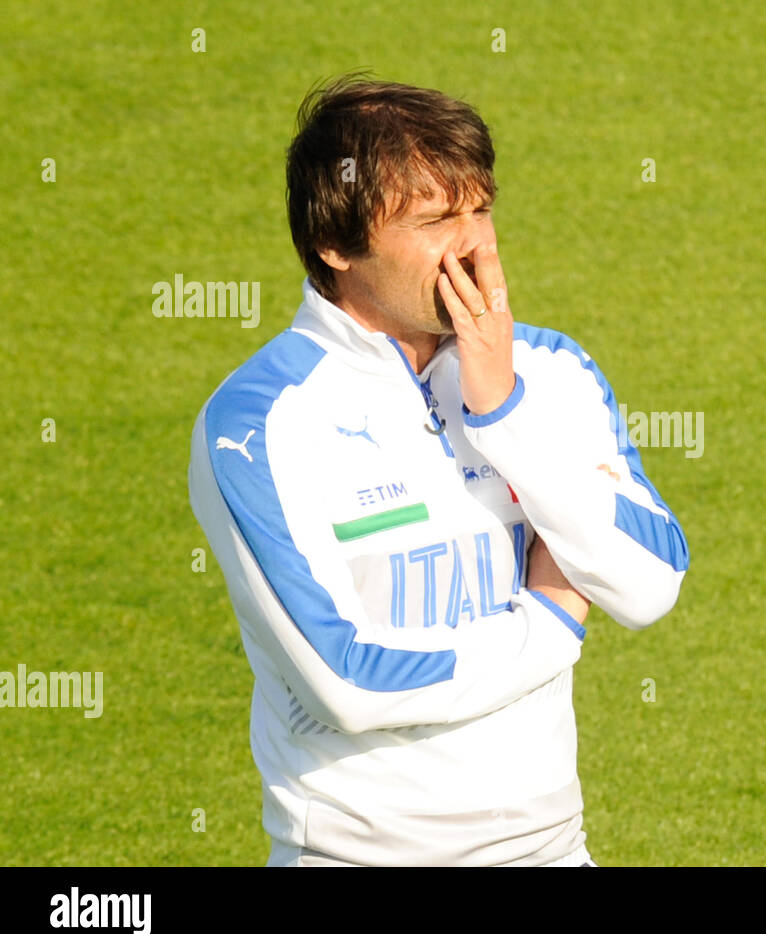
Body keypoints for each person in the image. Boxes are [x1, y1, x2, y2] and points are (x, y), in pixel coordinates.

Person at [187, 77, 689, 867]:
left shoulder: (549, 371)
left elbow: (651, 581)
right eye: (435, 219)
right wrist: (548, 625)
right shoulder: (259, 424)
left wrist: (506, 414)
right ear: (336, 244)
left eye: (480, 209)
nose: (476, 246)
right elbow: (350, 681)